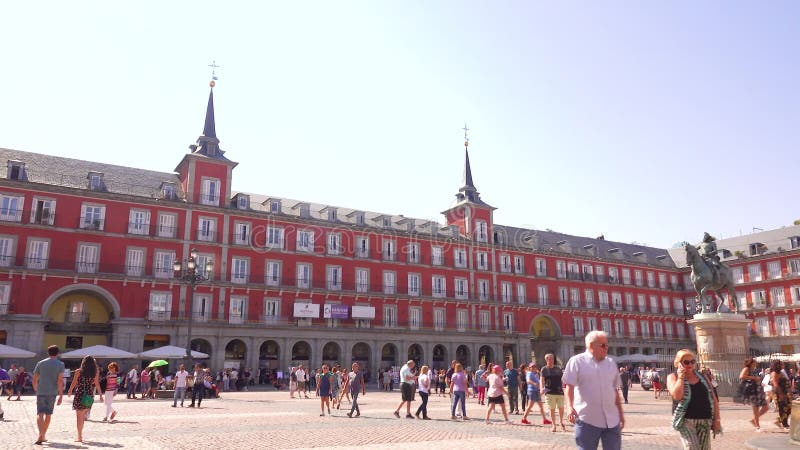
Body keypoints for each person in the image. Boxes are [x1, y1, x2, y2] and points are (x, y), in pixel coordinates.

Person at [563, 331, 624, 450]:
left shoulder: (611, 363)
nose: (606, 348)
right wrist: (570, 407)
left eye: (607, 345)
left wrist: (620, 414)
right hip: (587, 420)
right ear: (591, 346)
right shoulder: (577, 361)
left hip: (612, 420)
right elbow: (568, 386)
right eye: (603, 345)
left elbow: (615, 391)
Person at [668, 349, 720, 450]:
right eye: (686, 362)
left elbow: (714, 398)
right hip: (685, 421)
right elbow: (677, 396)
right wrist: (681, 377)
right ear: (678, 363)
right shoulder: (673, 377)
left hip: (705, 420)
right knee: (692, 447)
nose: (690, 364)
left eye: (692, 361)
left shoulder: (703, 376)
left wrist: (717, 420)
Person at [32, 345, 65, 445]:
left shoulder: (40, 363)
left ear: (48, 352)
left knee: (40, 413)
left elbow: (34, 379)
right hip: (52, 392)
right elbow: (60, 380)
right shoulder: (60, 364)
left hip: (41, 391)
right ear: (58, 353)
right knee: (48, 414)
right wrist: (61, 395)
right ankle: (42, 435)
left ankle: (41, 435)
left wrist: (36, 389)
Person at [67, 356, 102, 444]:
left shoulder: (78, 371)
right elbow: (96, 383)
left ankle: (79, 436)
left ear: (83, 362)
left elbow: (74, 382)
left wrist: (70, 390)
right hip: (89, 395)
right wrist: (101, 395)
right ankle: (80, 435)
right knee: (82, 416)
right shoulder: (95, 372)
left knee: (79, 417)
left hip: (80, 394)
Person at [541, 353, 566, 433]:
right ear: (546, 360)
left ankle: (561, 422)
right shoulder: (544, 369)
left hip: (559, 392)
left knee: (561, 408)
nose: (551, 360)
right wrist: (542, 388)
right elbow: (542, 380)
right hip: (549, 392)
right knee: (552, 410)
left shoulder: (558, 368)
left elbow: (562, 379)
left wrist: (564, 387)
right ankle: (554, 425)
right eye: (550, 359)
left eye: (552, 358)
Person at [770, 360, 792, 430]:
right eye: (782, 364)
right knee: (783, 407)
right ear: (778, 365)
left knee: (789, 407)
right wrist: (781, 394)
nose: (783, 365)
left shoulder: (781, 372)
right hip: (780, 393)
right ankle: (784, 424)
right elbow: (775, 384)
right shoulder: (774, 373)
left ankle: (779, 421)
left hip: (785, 393)